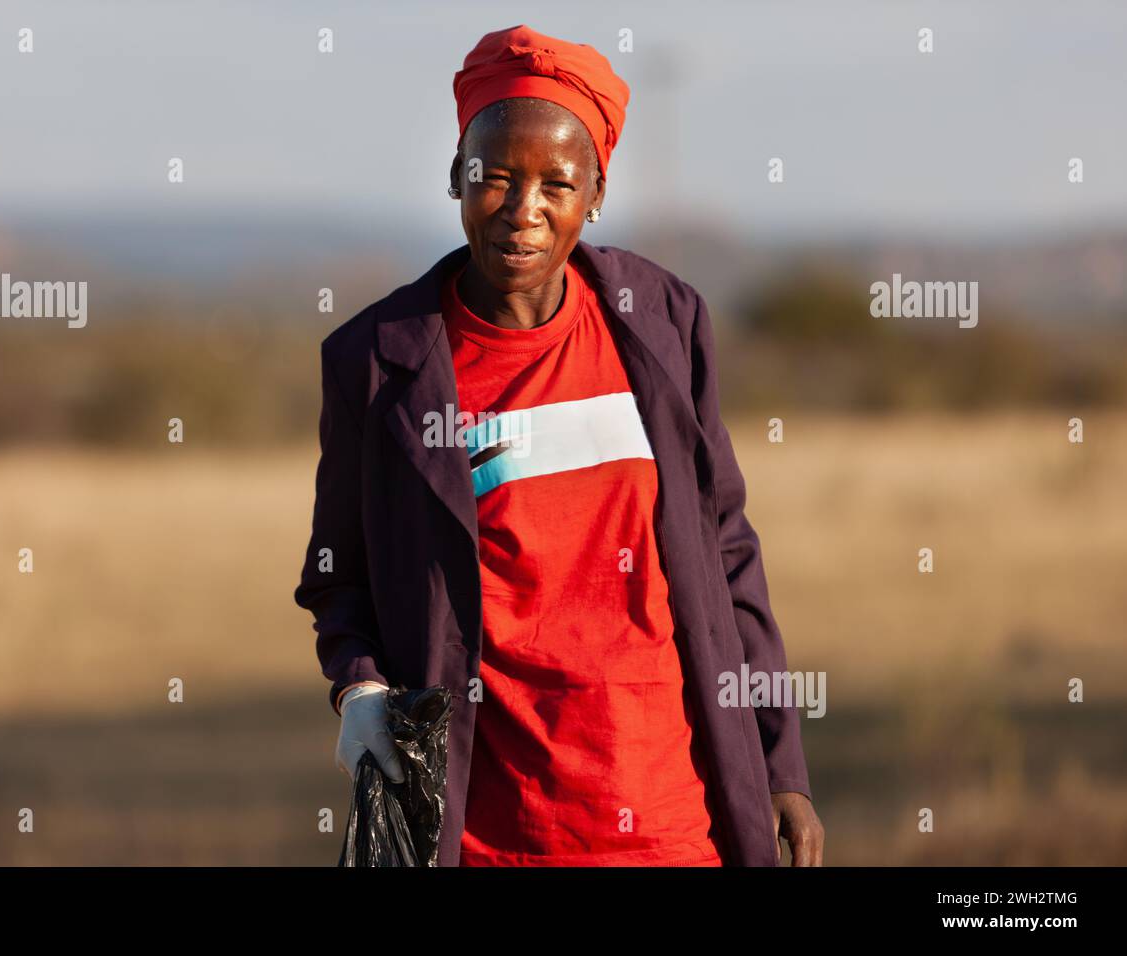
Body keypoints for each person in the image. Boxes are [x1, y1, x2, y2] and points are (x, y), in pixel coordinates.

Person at [295, 24, 823, 866]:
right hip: (486, 832)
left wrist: (779, 761)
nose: (523, 211)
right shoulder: (376, 362)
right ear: (455, 176)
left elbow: (727, 553)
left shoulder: (663, 321)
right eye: (494, 178)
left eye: (557, 184)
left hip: (672, 818)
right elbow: (338, 578)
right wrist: (359, 687)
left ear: (598, 192)